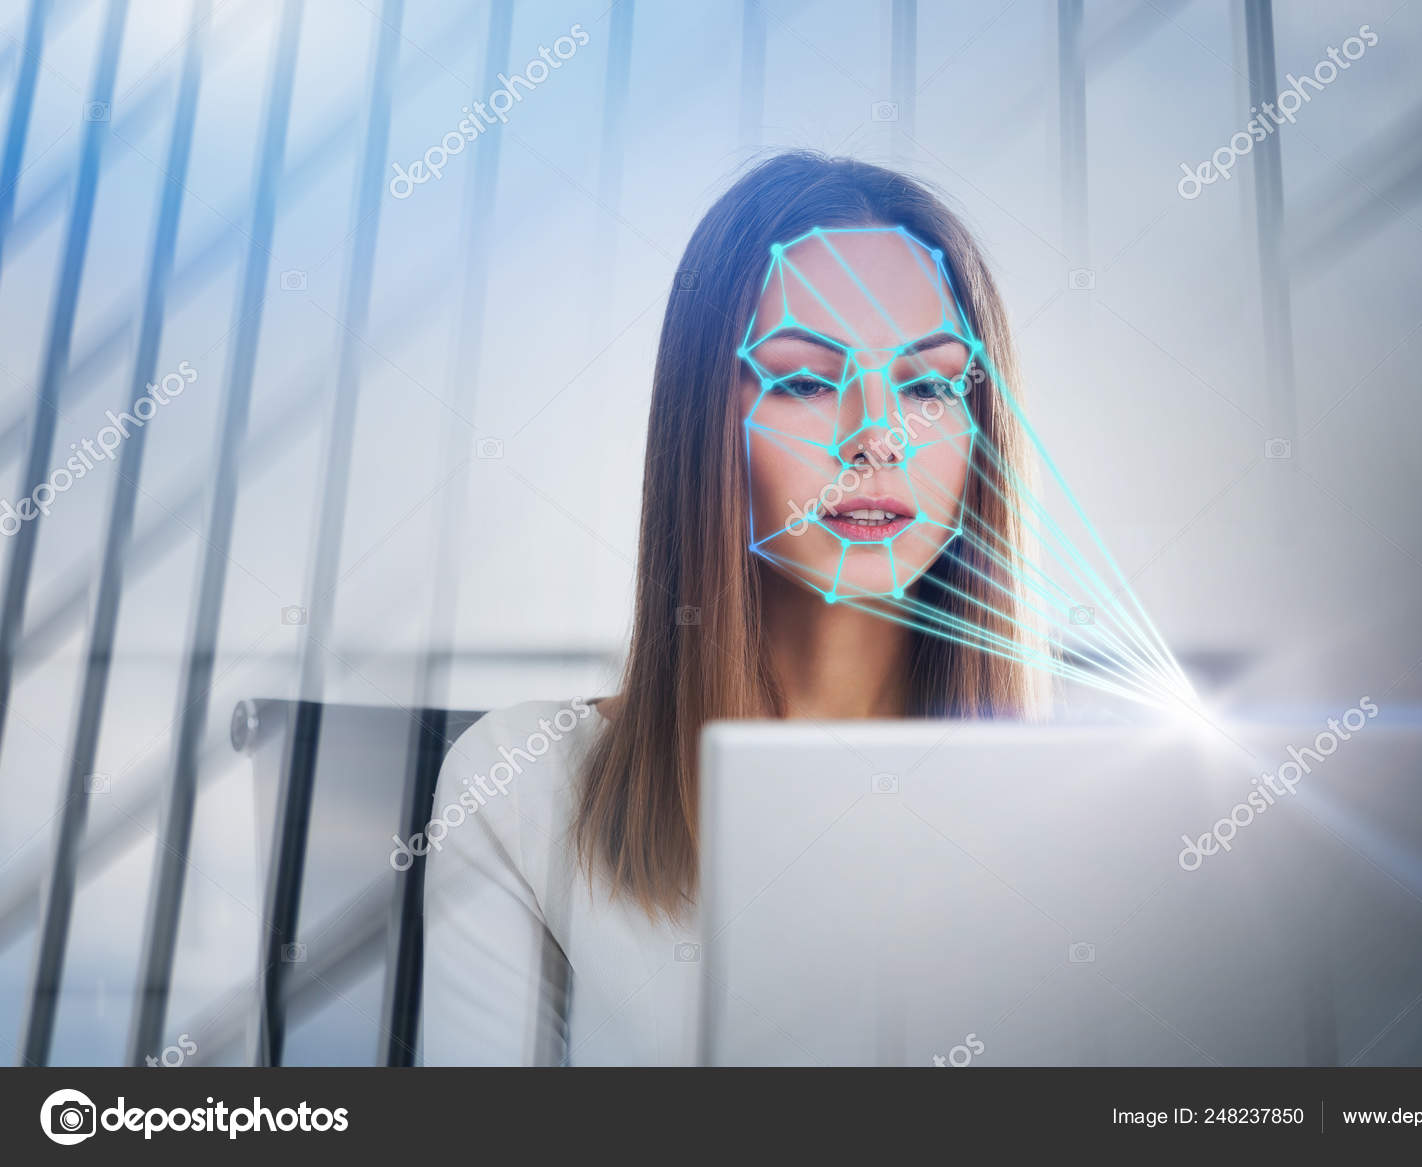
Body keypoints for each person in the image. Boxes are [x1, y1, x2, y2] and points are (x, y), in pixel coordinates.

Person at [422, 150, 1043, 1065]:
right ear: (705, 424)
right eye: (804, 381)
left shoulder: (1096, 806)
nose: (878, 437)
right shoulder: (521, 786)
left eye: (930, 386)